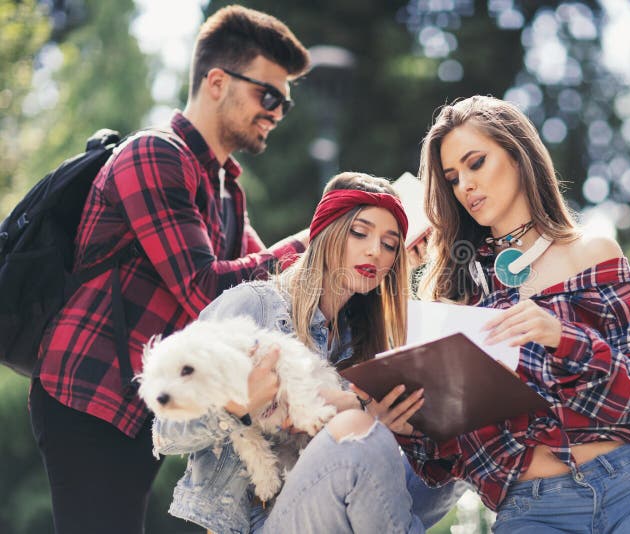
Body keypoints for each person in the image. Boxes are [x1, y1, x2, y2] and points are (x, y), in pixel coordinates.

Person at [28, 6, 311, 533]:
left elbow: (263, 293)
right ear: (218, 81)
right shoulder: (155, 154)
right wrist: (311, 240)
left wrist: (362, 248)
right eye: (269, 95)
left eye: (285, 104)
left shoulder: (226, 189)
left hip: (145, 408)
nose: (276, 112)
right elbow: (204, 288)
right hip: (90, 393)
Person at [395, 95, 630, 533]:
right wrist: (410, 425)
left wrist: (563, 338)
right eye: (453, 177)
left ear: (518, 155)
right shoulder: (453, 297)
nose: (465, 186)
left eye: (476, 163)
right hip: (532, 511)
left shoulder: (591, 254)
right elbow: (447, 466)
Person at [152, 172, 464, 534]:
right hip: (258, 520)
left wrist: (382, 419)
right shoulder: (253, 306)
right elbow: (166, 431)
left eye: (390, 244)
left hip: (333, 505)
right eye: (359, 233)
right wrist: (240, 407)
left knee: (459, 440)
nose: (374, 251)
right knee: (359, 432)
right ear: (325, 233)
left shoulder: (362, 338)